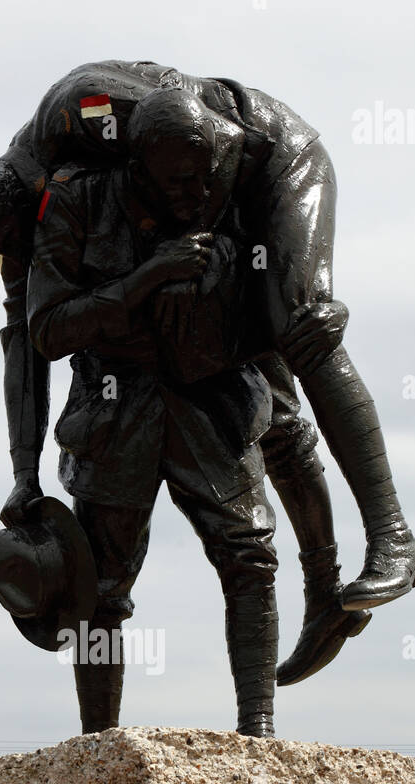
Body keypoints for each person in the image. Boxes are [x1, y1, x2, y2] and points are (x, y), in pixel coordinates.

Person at [0, 61, 415, 686]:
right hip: (207, 217)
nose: (2, 261)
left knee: (300, 325)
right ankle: (327, 596)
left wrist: (210, 266)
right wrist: (23, 475)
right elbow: (29, 349)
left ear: (8, 204)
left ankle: (392, 537)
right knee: (266, 406)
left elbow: (198, 128)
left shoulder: (77, 111)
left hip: (270, 165)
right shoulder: (35, 220)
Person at [25, 89, 278, 736]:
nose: (195, 195)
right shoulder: (78, 201)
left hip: (211, 400)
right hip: (114, 411)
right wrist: (143, 282)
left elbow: (273, 299)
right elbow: (47, 330)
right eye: (176, 183)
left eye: (202, 179)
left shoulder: (232, 192)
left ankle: (260, 728)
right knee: (99, 589)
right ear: (139, 169)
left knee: (248, 554)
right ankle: (97, 744)